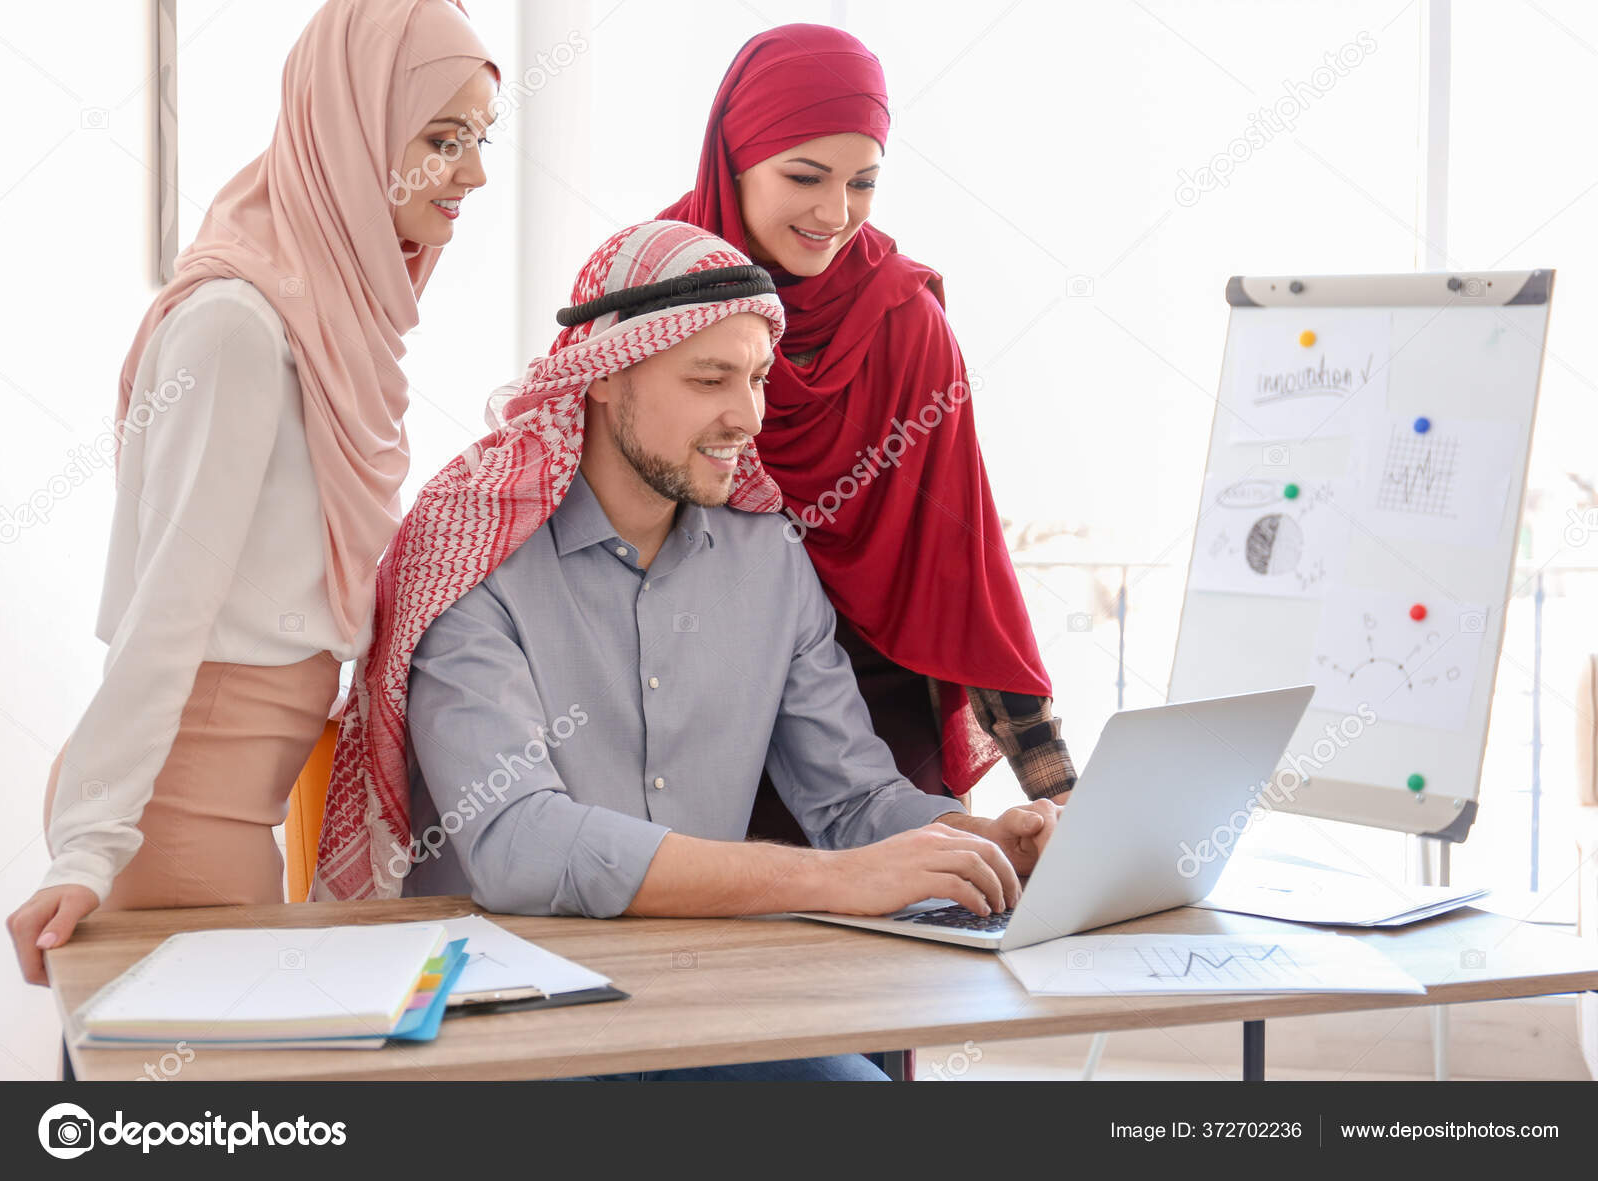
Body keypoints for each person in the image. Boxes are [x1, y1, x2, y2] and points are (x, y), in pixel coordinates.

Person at [312, 223, 1064, 1079]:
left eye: (754, 379)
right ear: (601, 377)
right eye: (709, 378)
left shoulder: (770, 561)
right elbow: (518, 844)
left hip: (708, 1015)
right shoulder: (473, 556)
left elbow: (853, 802)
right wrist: (834, 881)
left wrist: (980, 842)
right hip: (510, 1029)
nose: (746, 416)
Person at [6, 0, 499, 987]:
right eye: (442, 140)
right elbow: (166, 607)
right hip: (178, 826)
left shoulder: (330, 322)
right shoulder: (239, 326)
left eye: (480, 140)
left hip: (232, 808)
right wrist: (88, 848)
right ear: (350, 127)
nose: (473, 174)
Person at [657, 25, 1077, 844]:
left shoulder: (903, 323)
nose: (834, 213)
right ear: (734, 157)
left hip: (880, 744)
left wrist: (1061, 798)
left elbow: (963, 561)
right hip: (685, 721)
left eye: (864, 183)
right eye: (805, 176)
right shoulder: (649, 291)